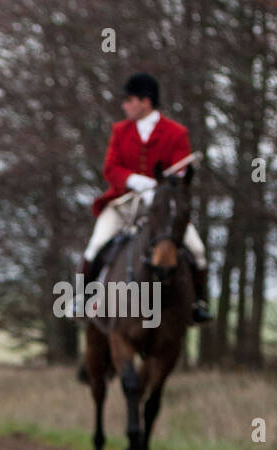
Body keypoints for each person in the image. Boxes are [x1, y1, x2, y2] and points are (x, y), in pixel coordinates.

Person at [81, 72, 211, 323]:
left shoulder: (176, 133)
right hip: (124, 204)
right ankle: (83, 298)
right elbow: (111, 168)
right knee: (95, 246)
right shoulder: (120, 131)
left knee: (198, 250)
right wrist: (137, 181)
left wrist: (163, 186)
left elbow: (181, 174)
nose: (125, 105)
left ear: (145, 101)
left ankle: (198, 302)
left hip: (162, 207)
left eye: (129, 100)